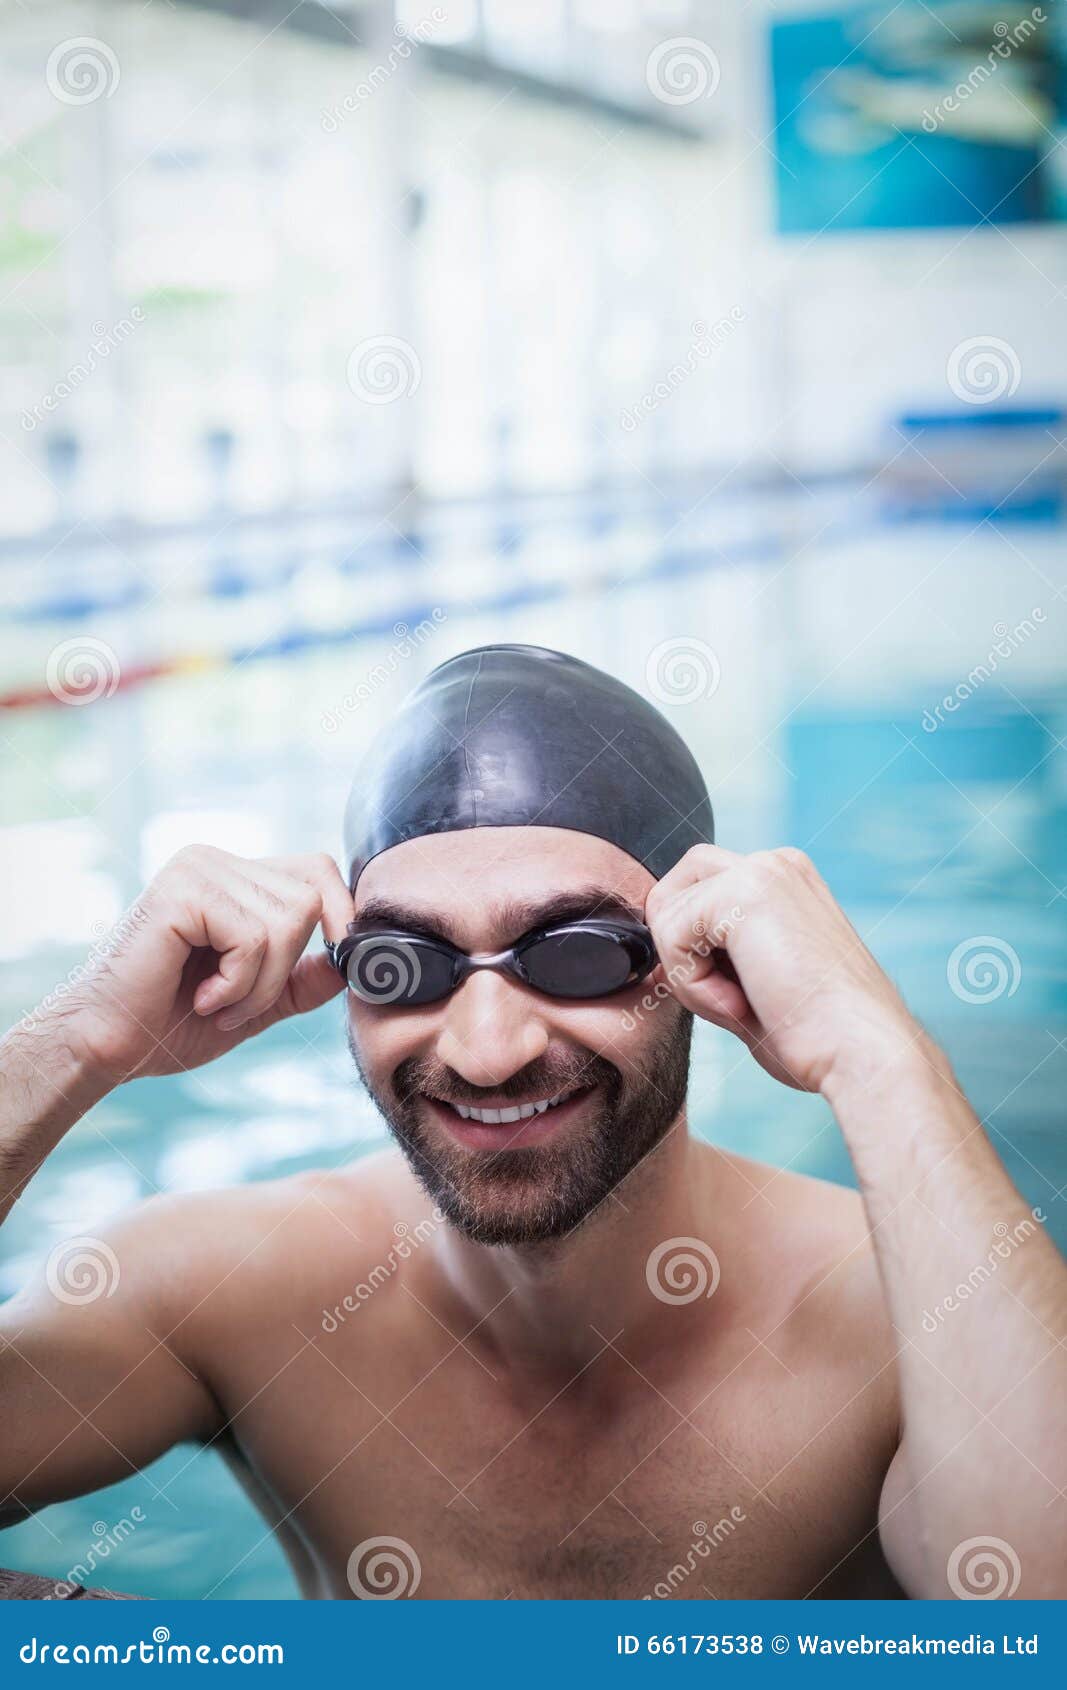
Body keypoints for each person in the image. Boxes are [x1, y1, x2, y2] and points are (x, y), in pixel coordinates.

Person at [1, 645, 1064, 1602]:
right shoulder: (231, 1291)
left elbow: (1036, 1617)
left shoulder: (903, 1323)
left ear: (704, 957)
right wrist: (80, 1037)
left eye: (576, 950)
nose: (485, 1047)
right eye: (403, 964)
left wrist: (872, 1052)